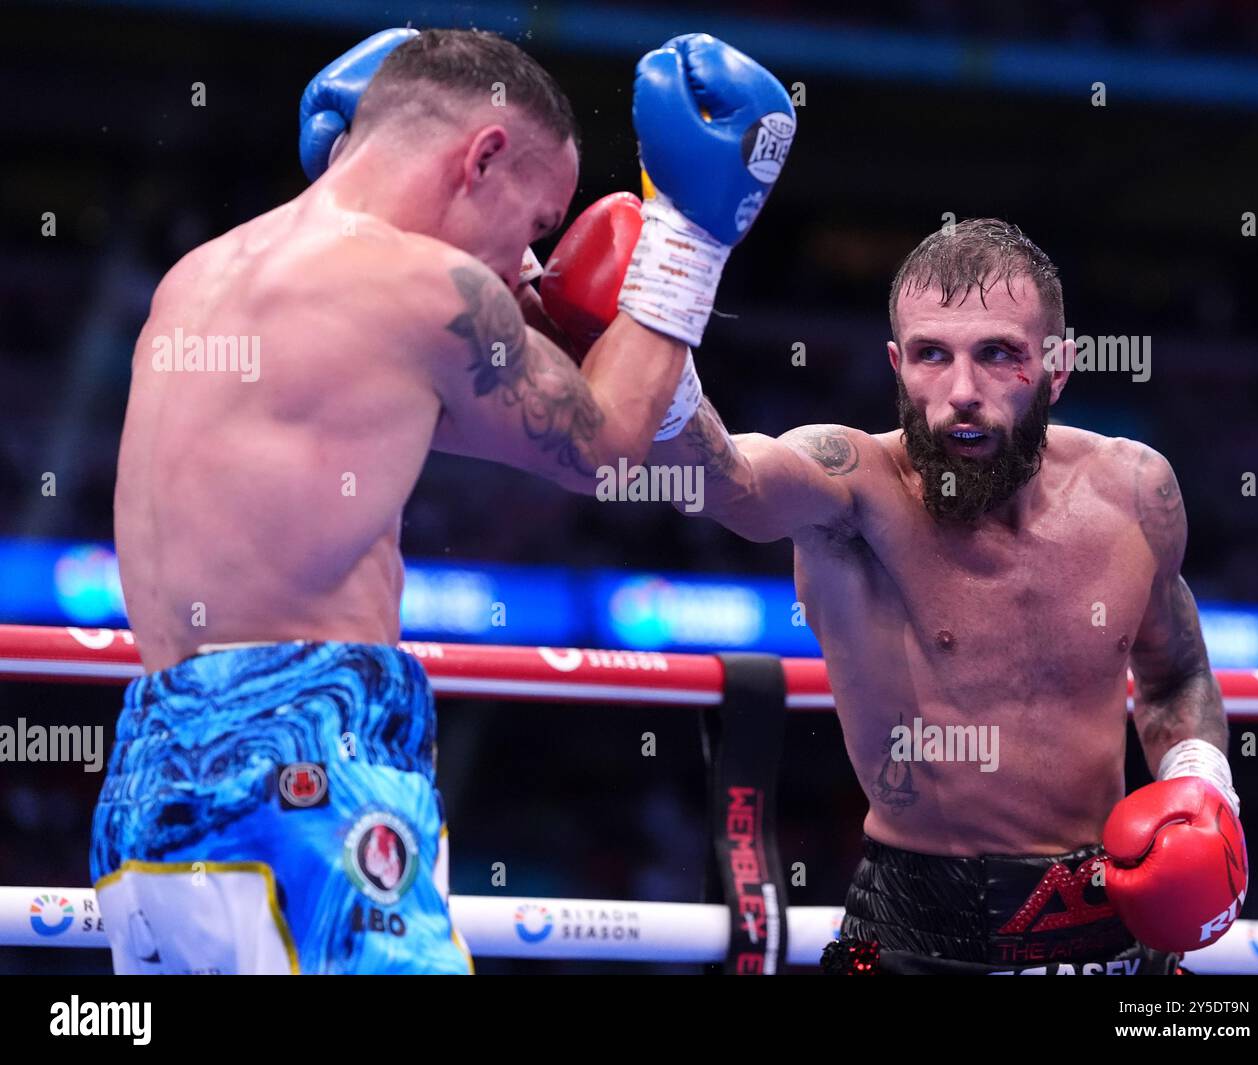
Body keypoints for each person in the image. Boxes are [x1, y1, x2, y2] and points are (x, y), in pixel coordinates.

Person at [90, 27, 794, 974]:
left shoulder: (200, 278)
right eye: (536, 223)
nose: (528, 258)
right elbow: (614, 446)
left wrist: (547, 313)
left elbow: (493, 391)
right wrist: (690, 237)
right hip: (307, 776)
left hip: (150, 787)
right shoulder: (424, 287)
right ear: (484, 157)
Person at [564, 215, 1248, 975]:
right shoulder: (852, 492)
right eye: (931, 355)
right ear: (897, 363)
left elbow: (1175, 673)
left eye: (997, 355)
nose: (960, 391)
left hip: (1113, 923)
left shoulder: (1135, 489)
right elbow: (733, 481)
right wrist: (661, 309)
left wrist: (1199, 782)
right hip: (916, 931)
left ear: (1058, 367)